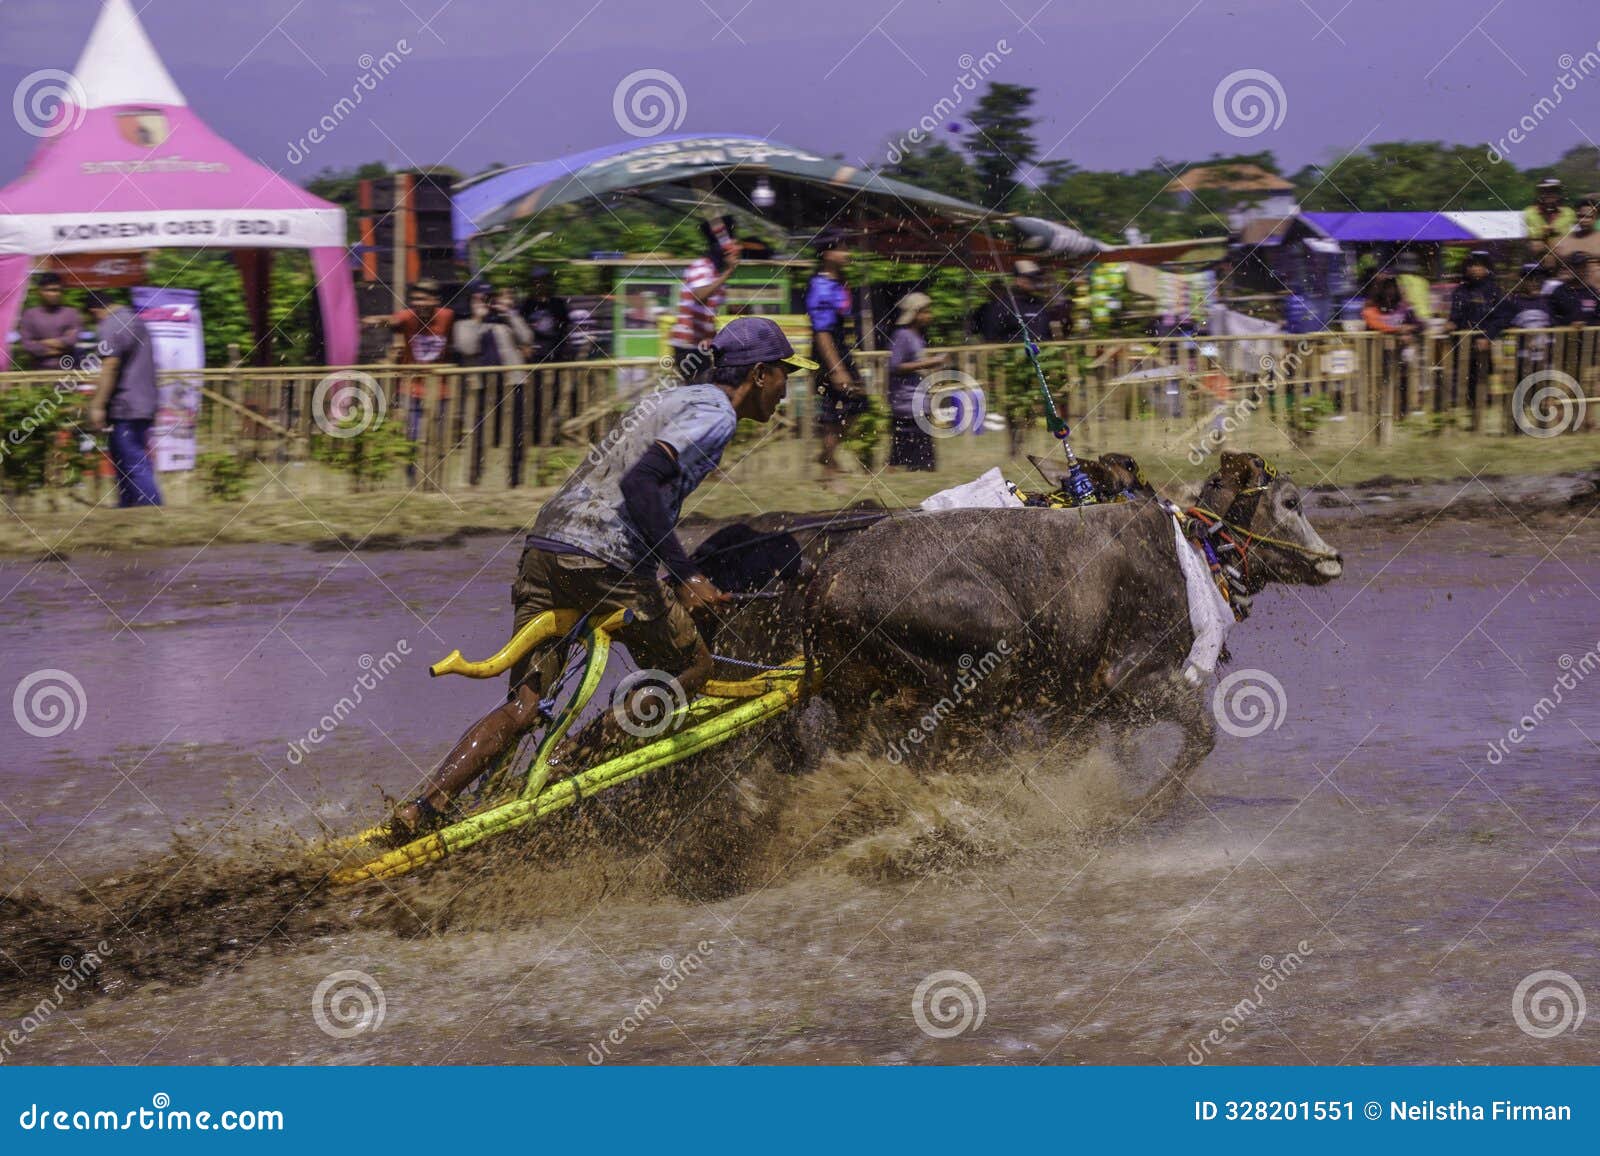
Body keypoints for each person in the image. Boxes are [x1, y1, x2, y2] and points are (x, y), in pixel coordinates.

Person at [388, 317, 816, 836]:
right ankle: (570, 763)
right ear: (761, 374)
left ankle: (425, 806)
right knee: (694, 667)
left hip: (544, 550)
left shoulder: (671, 399)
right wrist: (685, 575)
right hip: (603, 560)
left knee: (524, 705)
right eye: (785, 375)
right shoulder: (717, 415)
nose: (786, 389)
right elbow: (642, 484)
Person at [363, 280, 455, 475]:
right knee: (411, 437)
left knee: (437, 438)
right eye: (415, 299)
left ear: (435, 300)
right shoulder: (408, 316)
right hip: (411, 388)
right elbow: (392, 320)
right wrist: (374, 321)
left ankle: (434, 478)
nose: (418, 303)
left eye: (423, 299)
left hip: (439, 389)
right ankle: (411, 480)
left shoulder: (447, 316)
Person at [85, 292, 162, 508]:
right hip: (144, 404)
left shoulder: (110, 324)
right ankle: (127, 512)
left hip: (126, 406)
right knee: (126, 463)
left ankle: (152, 514)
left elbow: (110, 365)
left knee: (134, 464)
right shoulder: (136, 320)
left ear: (94, 311)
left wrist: (98, 405)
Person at [807, 231, 867, 477]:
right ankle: (829, 466)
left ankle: (827, 454)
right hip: (828, 352)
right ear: (827, 254)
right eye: (841, 249)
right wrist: (836, 368)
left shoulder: (838, 282)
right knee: (835, 410)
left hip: (841, 349)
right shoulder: (820, 286)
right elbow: (822, 332)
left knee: (858, 403)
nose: (847, 253)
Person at [667, 216, 742, 381]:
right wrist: (728, 272)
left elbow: (709, 313)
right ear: (724, 249)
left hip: (701, 346)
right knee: (700, 393)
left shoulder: (715, 273)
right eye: (735, 243)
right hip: (688, 346)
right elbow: (699, 296)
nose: (739, 248)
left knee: (706, 390)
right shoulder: (701, 266)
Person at [887, 292, 946, 471]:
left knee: (919, 459)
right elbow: (895, 366)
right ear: (915, 314)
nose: (929, 316)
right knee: (916, 459)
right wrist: (929, 362)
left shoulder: (917, 337)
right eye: (925, 312)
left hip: (918, 402)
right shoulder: (902, 336)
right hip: (907, 403)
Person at [1448, 251, 1510, 419]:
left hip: (1489, 347)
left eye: (1479, 265)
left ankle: (1488, 418)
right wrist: (1451, 323)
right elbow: (1455, 316)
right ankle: (1471, 418)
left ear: (1487, 268)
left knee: (1488, 382)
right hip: (1464, 347)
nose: (1475, 269)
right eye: (1472, 265)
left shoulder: (1495, 291)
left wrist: (1487, 337)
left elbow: (1502, 317)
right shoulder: (1460, 291)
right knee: (1467, 383)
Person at [16, 272, 83, 370]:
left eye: (58, 290)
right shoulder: (29, 315)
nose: (55, 294)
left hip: (68, 374)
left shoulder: (71, 314)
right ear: (40, 291)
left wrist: (41, 342)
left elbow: (72, 341)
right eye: (50, 290)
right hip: (39, 375)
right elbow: (28, 345)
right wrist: (62, 346)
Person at [979, 259, 1054, 344]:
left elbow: (1047, 333)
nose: (1034, 281)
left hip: (1044, 354)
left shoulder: (1039, 303)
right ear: (1017, 280)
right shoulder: (1002, 305)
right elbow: (990, 338)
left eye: (1036, 277)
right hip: (1014, 355)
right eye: (1030, 277)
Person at [518, 268, 571, 363]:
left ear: (549, 282)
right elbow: (520, 327)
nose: (539, 285)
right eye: (536, 281)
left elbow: (565, 326)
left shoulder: (558, 303)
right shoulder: (527, 304)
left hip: (555, 348)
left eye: (543, 281)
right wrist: (524, 346)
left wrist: (564, 347)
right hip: (534, 350)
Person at [1525, 178, 1577, 264]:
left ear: (1559, 194)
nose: (1549, 194)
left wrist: (1549, 232)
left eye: (1554, 191)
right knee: (1536, 245)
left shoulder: (1569, 212)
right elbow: (1534, 238)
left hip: (1563, 257)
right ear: (1539, 193)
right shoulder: (1529, 212)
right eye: (1545, 191)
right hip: (1539, 257)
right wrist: (1554, 231)